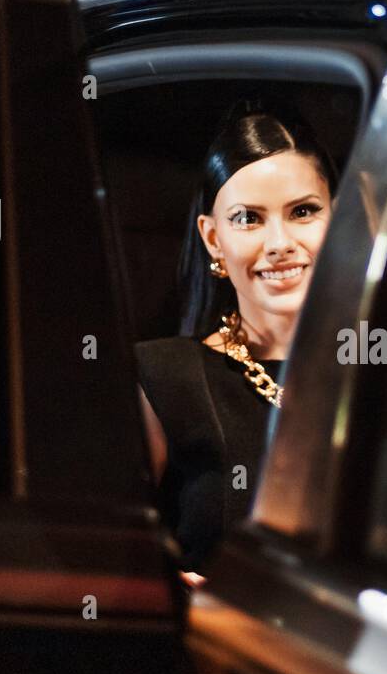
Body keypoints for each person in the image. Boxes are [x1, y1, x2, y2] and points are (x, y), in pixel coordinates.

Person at [136, 98, 337, 571]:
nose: (280, 244)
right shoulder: (164, 377)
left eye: (303, 211)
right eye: (249, 218)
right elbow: (108, 552)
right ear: (213, 240)